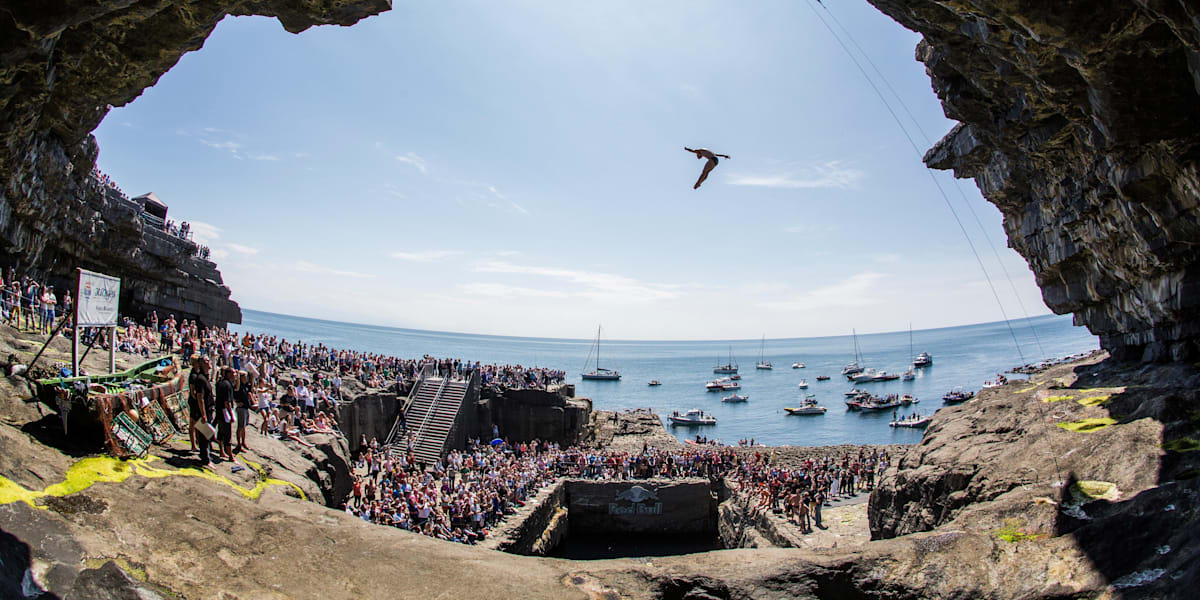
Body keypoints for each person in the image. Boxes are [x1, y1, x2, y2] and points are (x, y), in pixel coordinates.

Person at [188, 357, 215, 466]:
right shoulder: (199, 379)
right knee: (204, 435)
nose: (209, 363)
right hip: (203, 411)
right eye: (207, 361)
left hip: (208, 409)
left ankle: (206, 456)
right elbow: (200, 397)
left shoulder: (205, 377)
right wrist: (203, 414)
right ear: (202, 364)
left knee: (207, 434)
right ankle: (205, 460)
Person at [214, 366, 236, 461]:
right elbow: (226, 402)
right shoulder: (227, 385)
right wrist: (231, 415)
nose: (235, 375)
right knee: (227, 434)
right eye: (233, 373)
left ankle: (222, 451)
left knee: (220, 432)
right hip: (224, 411)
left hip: (219, 410)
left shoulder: (220, 383)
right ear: (228, 374)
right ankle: (230, 455)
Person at [233, 370, 252, 453]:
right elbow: (233, 394)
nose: (246, 378)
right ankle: (239, 444)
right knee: (240, 427)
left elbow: (252, 388)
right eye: (245, 377)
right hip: (241, 408)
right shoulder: (239, 386)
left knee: (244, 427)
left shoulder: (245, 386)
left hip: (246, 407)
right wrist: (236, 402)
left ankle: (243, 442)